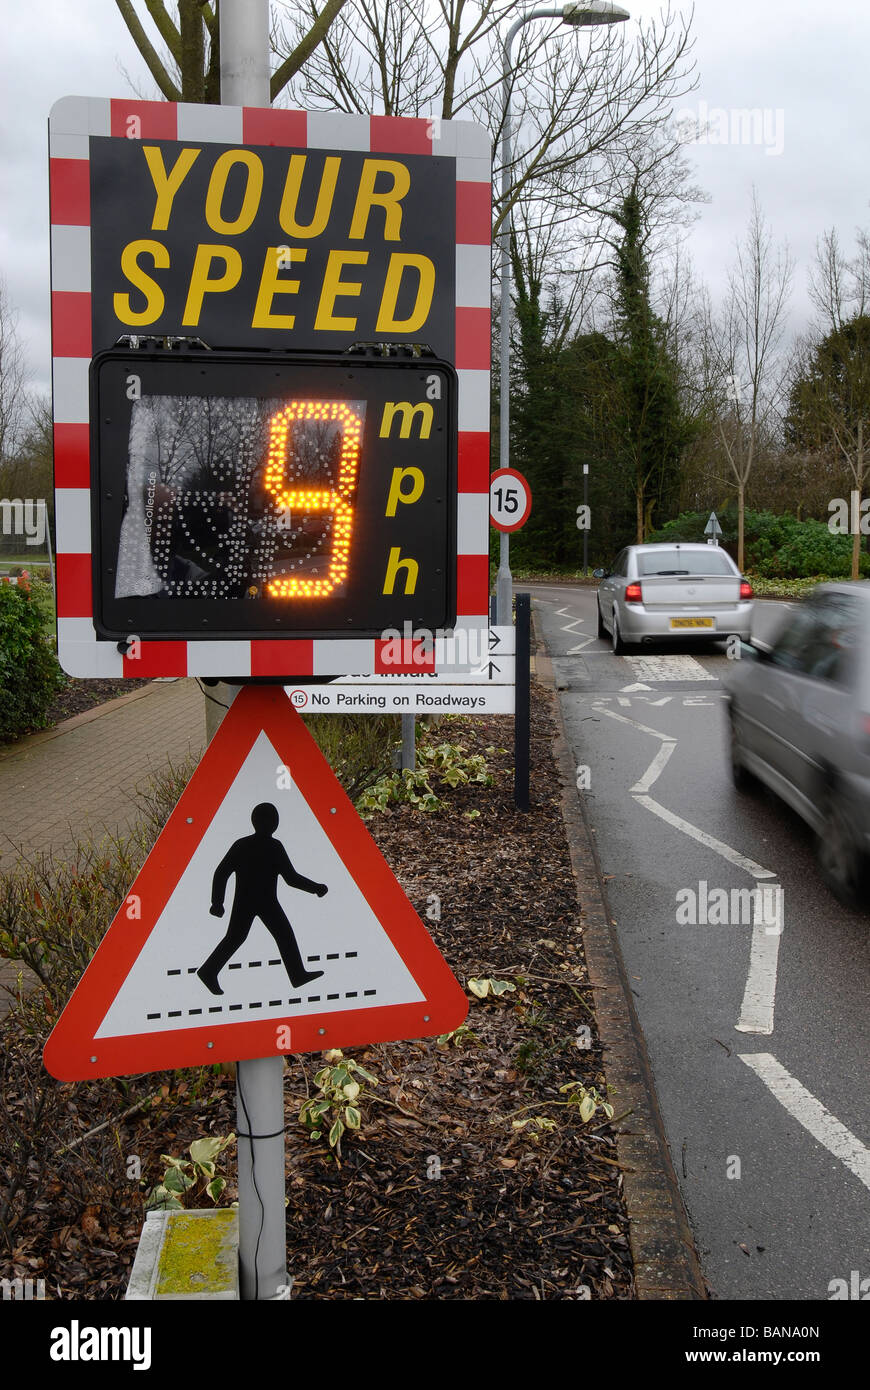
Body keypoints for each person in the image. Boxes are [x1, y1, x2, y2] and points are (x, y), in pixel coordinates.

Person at [197, 802, 328, 995]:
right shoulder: (270, 846)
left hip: (254, 901)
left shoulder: (245, 844)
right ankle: (208, 971)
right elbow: (222, 872)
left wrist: (218, 902)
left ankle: (297, 974)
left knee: (267, 935)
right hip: (260, 901)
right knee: (251, 937)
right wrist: (217, 902)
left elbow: (222, 872)